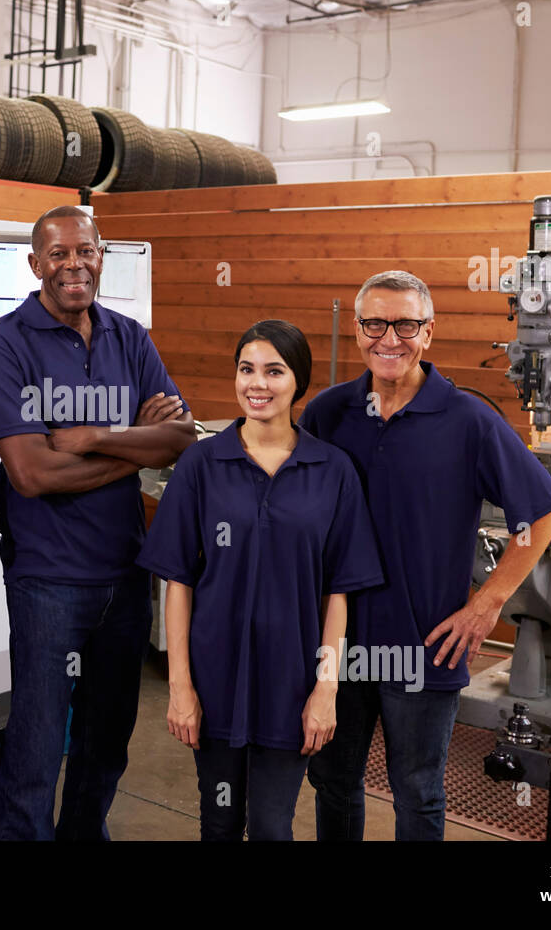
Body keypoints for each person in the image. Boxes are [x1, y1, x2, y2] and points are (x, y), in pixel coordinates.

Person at [300, 270, 551, 841]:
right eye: (375, 323)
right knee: (333, 780)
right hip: (336, 640)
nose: (389, 338)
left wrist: (488, 602)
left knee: (417, 792)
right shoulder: (329, 414)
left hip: (425, 645)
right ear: (357, 329)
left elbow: (547, 512)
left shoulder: (468, 420)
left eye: (405, 324)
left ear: (428, 333)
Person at [0, 205, 196, 840]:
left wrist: (95, 437)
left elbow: (180, 436)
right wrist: (135, 449)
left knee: (107, 739)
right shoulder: (5, 342)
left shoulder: (129, 335)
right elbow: (31, 475)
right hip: (48, 579)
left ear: (102, 256)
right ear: (36, 263)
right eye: (59, 254)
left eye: (86, 251)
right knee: (37, 746)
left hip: (127, 572)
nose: (74, 264)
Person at [136, 320, 383, 840]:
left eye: (274, 371)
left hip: (290, 684)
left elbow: (339, 592)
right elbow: (177, 582)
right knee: (219, 820)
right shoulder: (201, 464)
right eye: (247, 369)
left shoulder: (333, 470)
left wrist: (325, 689)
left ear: (298, 382)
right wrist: (180, 686)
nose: (258, 383)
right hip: (214, 678)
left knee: (273, 825)